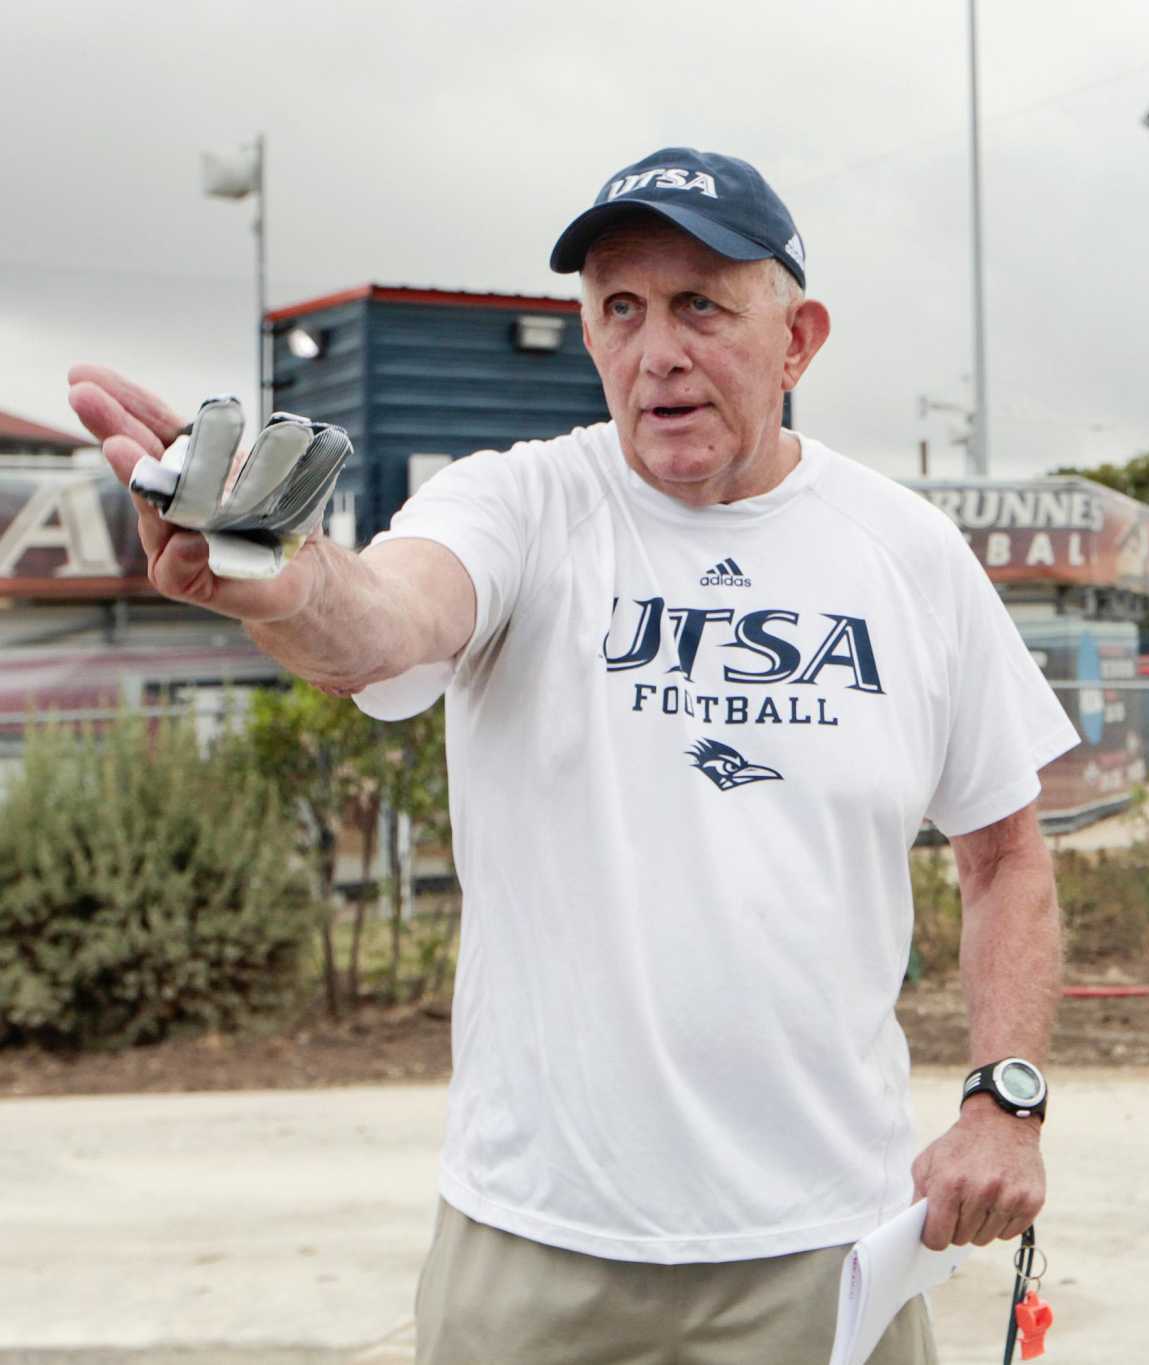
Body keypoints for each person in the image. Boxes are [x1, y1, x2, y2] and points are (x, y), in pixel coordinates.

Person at [69, 146, 1078, 1364]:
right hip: (534, 1244)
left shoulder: (905, 554)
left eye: (700, 305)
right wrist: (282, 580)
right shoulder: (522, 504)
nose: (657, 350)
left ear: (797, 338)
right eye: (621, 309)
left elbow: (1006, 858)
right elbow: (389, 616)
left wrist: (1003, 1099)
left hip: (823, 1245)